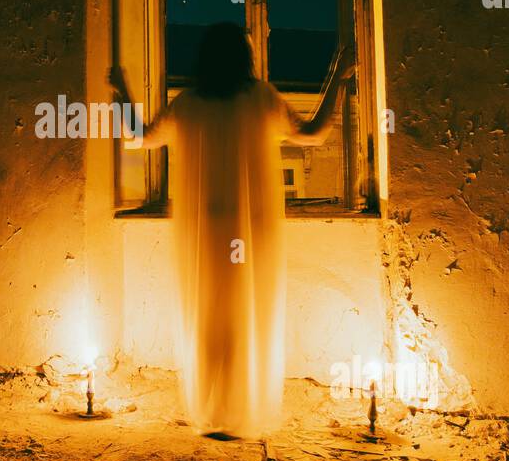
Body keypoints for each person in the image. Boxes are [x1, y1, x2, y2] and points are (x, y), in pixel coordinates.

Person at [110, 22, 354, 438]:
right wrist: (338, 78)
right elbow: (314, 134)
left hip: (203, 231)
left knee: (208, 317)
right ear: (245, 57)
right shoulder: (261, 99)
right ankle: (242, 410)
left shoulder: (188, 103)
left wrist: (122, 90)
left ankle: (213, 408)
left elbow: (139, 136)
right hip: (252, 233)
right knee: (247, 315)